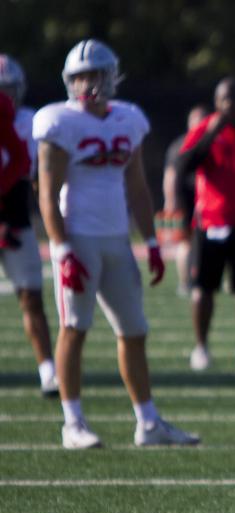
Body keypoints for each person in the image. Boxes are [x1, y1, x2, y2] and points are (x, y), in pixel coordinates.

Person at [34, 38, 199, 448]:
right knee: (75, 328)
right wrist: (62, 248)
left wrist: (155, 242)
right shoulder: (58, 121)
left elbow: (138, 187)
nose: (88, 84)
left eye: (95, 75)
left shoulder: (128, 119)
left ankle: (148, 422)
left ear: (111, 77)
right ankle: (72, 423)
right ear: (69, 81)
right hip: (78, 239)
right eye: (80, 77)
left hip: (117, 240)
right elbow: (47, 193)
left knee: (134, 331)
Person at [176, 77, 235, 371]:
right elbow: (184, 165)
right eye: (224, 99)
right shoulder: (207, 126)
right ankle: (201, 347)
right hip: (210, 220)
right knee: (203, 289)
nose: (229, 105)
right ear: (216, 101)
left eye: (234, 98)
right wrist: (210, 134)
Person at [0, 54, 57, 397]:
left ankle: (48, 370)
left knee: (31, 295)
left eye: (8, 90)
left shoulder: (29, 121)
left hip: (15, 218)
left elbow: (30, 173)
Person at [161, 104, 208, 297]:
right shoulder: (181, 144)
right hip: (186, 199)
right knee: (185, 243)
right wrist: (171, 202)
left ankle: (201, 280)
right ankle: (185, 282)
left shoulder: (210, 141)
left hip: (207, 200)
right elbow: (170, 175)